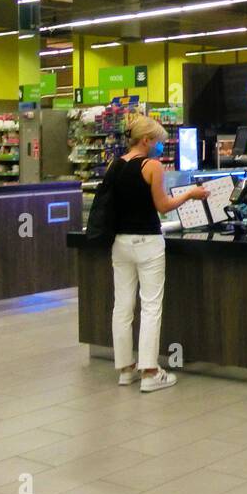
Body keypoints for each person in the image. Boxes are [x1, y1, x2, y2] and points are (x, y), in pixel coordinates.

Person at [105, 113, 208, 392]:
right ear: (147, 140)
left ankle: (126, 369)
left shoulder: (115, 166)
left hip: (120, 243)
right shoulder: (152, 166)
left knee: (122, 306)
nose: (162, 147)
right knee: (150, 306)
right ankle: (150, 372)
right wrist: (190, 194)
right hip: (148, 241)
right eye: (160, 142)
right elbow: (163, 206)